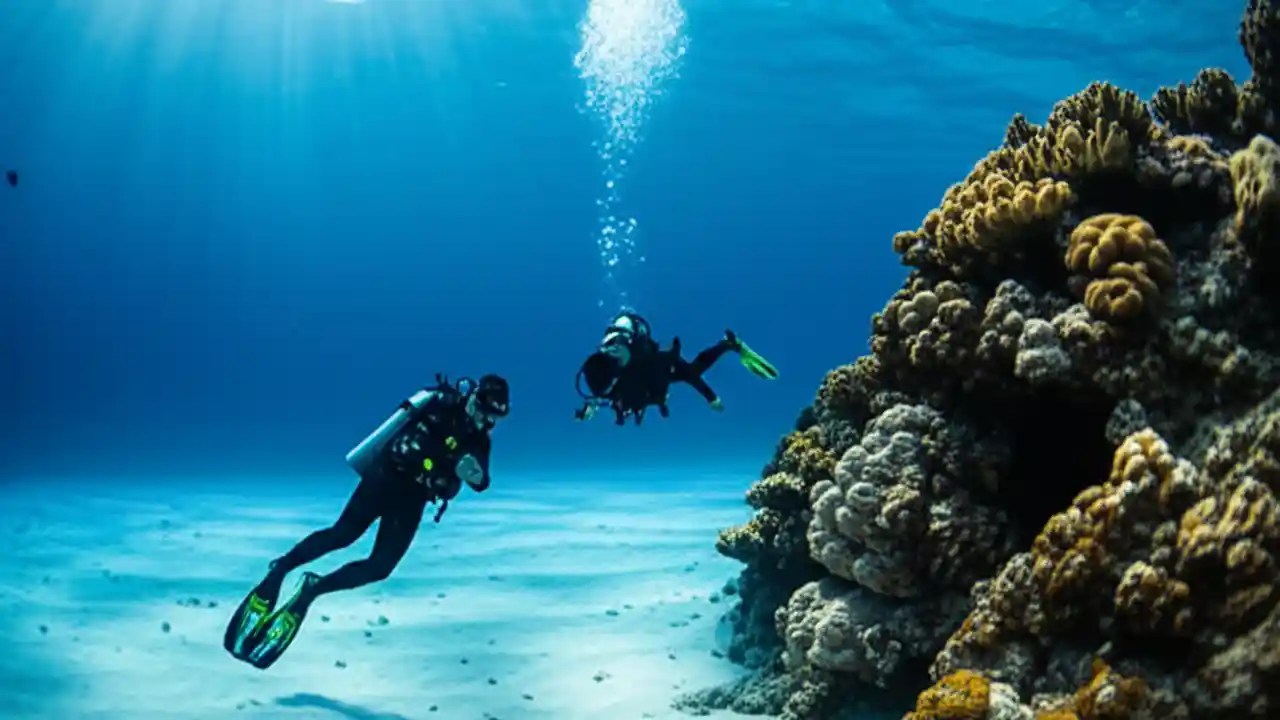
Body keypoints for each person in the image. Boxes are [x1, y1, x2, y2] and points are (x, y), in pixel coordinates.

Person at [223, 373, 511, 670]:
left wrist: (472, 475)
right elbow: (403, 431)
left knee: (380, 567)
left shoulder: (479, 440)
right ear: (474, 397)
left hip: (413, 499)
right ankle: (280, 568)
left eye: (495, 417)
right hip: (385, 477)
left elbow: (481, 480)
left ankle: (313, 588)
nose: (487, 420)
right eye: (485, 410)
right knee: (343, 534)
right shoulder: (440, 404)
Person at [573, 311, 778, 425]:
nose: (613, 352)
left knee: (694, 370)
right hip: (646, 385)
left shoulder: (655, 360)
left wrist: (711, 398)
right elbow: (598, 395)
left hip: (655, 375)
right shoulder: (603, 371)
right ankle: (728, 344)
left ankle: (729, 344)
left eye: (618, 345)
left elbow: (689, 374)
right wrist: (588, 409)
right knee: (688, 373)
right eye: (609, 347)